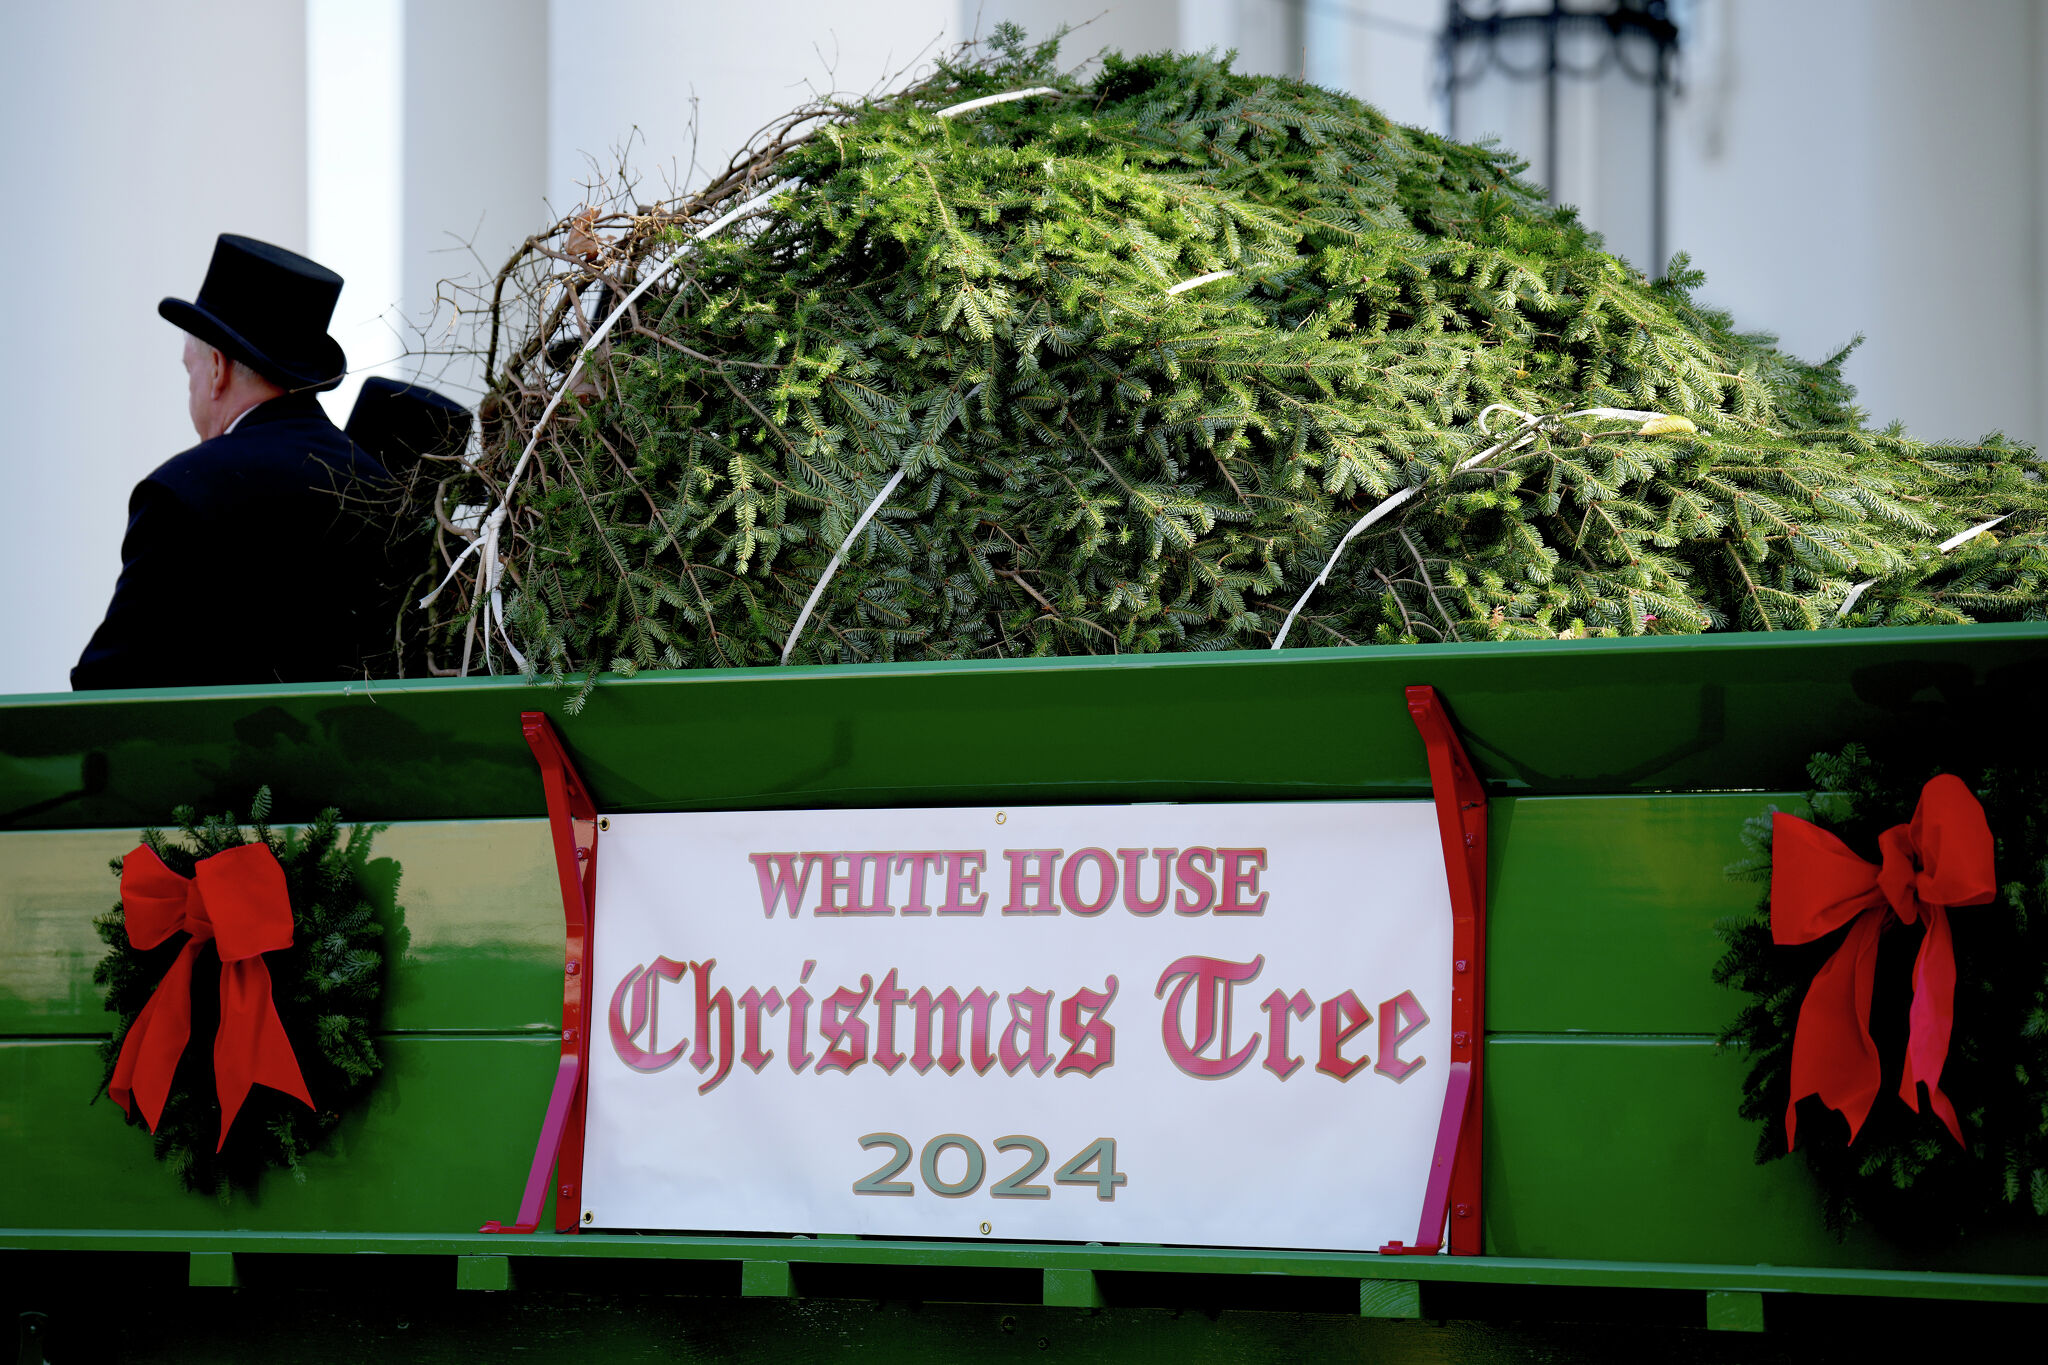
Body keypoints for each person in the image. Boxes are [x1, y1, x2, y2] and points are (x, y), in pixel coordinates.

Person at [72, 235, 395, 689]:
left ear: (217, 369)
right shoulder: (385, 490)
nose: (190, 390)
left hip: (213, 739)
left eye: (190, 371)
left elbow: (109, 682)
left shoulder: (183, 491)